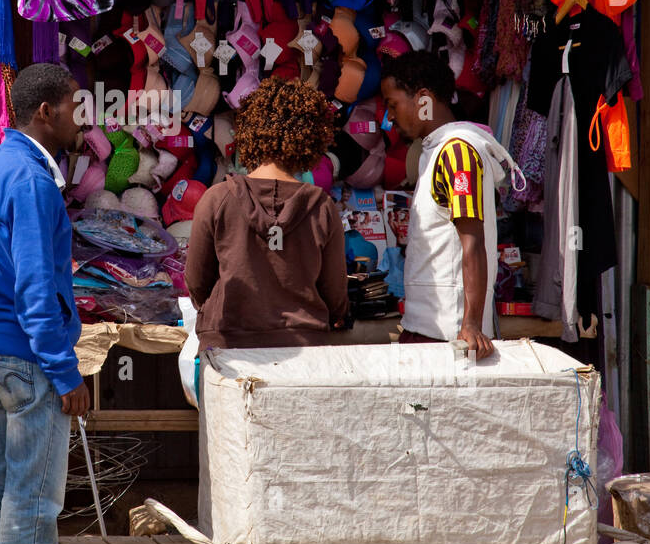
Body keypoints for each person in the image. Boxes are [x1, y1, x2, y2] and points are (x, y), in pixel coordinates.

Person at [0, 63, 91, 544]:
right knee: (33, 497)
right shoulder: (31, 181)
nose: (80, 118)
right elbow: (35, 286)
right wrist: (64, 371)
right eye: (74, 106)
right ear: (45, 111)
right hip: (29, 357)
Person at [185, 77, 349, 349]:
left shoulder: (216, 200)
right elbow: (335, 296)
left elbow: (197, 283)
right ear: (312, 138)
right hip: (303, 350)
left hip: (228, 348)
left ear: (249, 132)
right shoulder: (323, 208)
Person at [380, 50, 512, 359]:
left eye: (393, 105)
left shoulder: (457, 151)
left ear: (423, 98)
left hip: (447, 338)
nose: (390, 118)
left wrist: (471, 325)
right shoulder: (435, 151)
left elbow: (473, 241)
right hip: (428, 330)